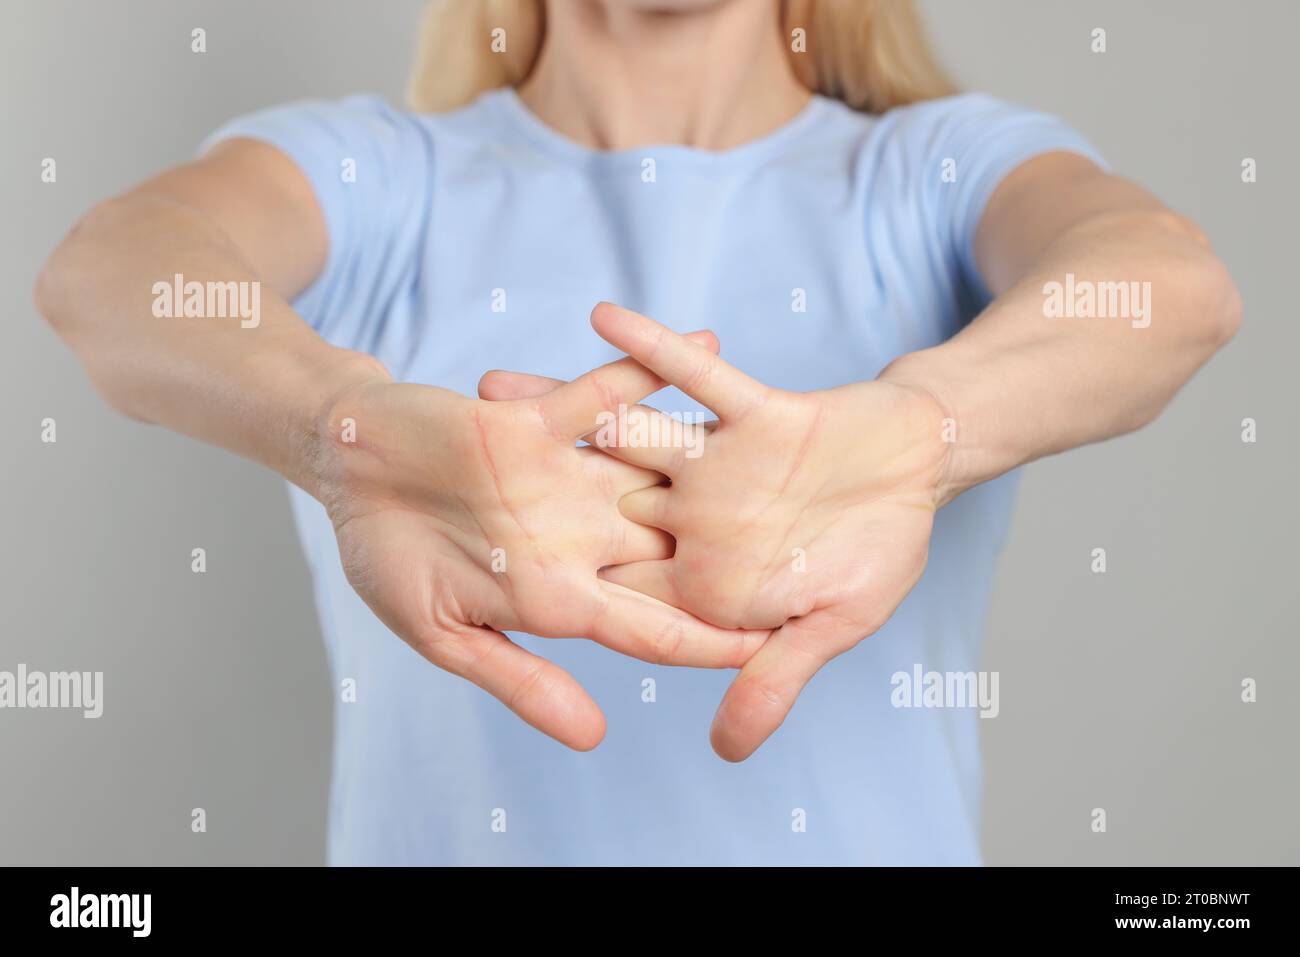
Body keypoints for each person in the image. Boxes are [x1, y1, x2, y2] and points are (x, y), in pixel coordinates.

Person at [34, 0, 1240, 865]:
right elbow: (108, 270)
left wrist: (923, 432)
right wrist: (336, 433)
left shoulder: (931, 170)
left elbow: (1169, 285)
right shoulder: (382, 176)